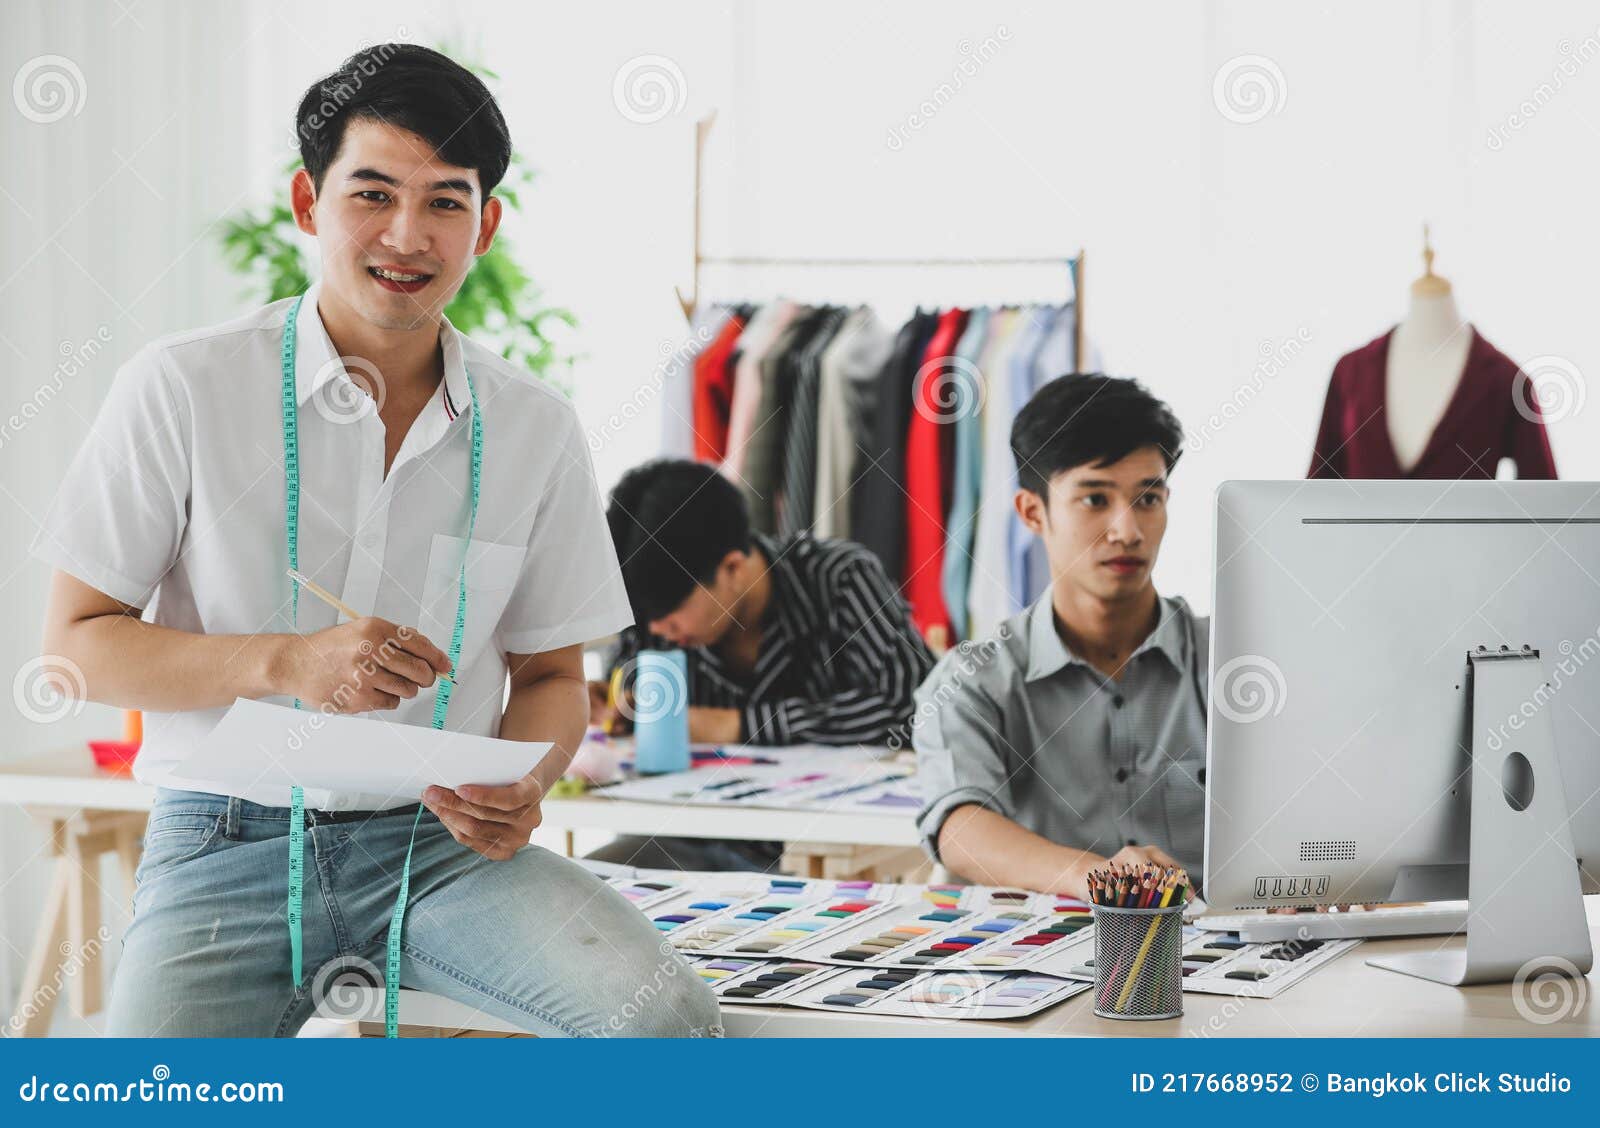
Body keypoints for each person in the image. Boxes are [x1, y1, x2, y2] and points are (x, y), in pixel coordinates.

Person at [32, 45, 718, 1037]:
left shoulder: (532, 425)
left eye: (445, 201)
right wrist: (287, 660)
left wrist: (527, 778)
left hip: (440, 846)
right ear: (310, 203)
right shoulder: (181, 386)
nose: (407, 234)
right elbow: (75, 647)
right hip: (225, 841)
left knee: (667, 1023)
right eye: (373, 193)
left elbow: (552, 674)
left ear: (485, 225)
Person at [912, 374, 1207, 898]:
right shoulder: (974, 680)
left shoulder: (1232, 660)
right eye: (1095, 499)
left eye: (1148, 499)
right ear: (1032, 512)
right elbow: (959, 825)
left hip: (1228, 956)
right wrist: (1098, 879)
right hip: (1051, 958)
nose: (1128, 531)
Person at [589, 458, 934, 872]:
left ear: (732, 567)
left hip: (827, 851)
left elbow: (916, 709)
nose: (660, 629)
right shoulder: (655, 618)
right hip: (683, 843)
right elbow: (620, 704)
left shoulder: (840, 581)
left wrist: (738, 725)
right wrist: (606, 709)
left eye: (670, 611)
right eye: (646, 617)